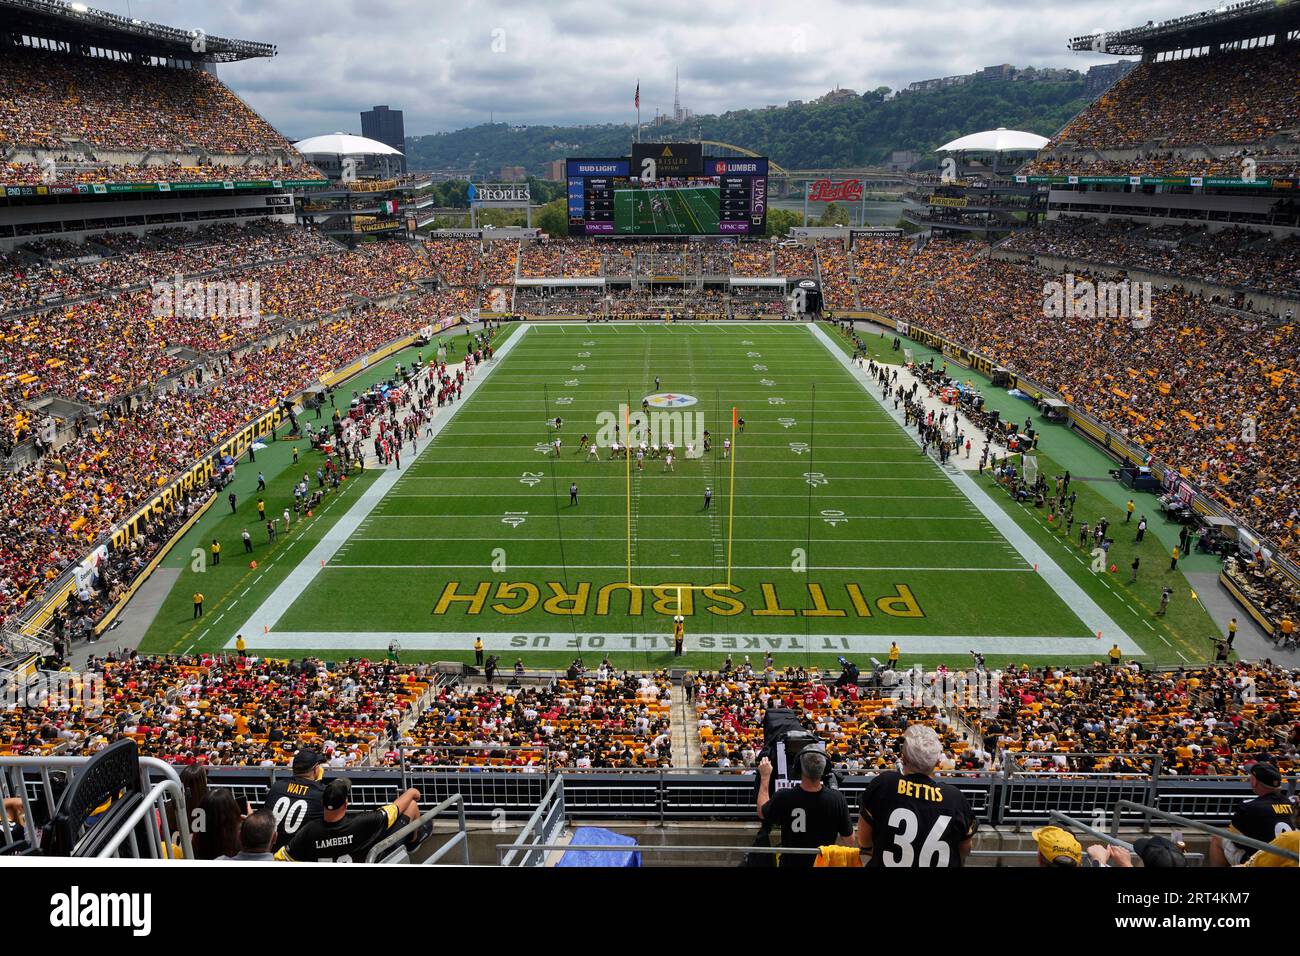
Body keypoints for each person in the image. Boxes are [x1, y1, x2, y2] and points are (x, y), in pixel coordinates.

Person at [856, 724, 977, 867]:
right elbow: (964, 849)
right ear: (938, 761)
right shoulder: (956, 799)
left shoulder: (883, 785)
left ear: (903, 758)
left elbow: (864, 840)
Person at [276, 778, 421, 863]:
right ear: (346, 803)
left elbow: (281, 858)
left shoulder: (308, 831)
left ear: (322, 803)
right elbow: (395, 809)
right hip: (370, 860)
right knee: (411, 805)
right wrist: (411, 792)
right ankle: (413, 844)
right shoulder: (363, 822)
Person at [756, 748, 853, 868]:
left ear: (798, 768)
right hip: (823, 863)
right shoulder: (837, 799)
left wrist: (765, 777)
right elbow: (850, 841)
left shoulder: (784, 796)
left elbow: (762, 812)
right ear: (825, 769)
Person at [1208, 762, 1296, 866]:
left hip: (1262, 862)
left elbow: (1236, 840)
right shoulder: (1293, 804)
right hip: (1292, 860)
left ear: (1254, 782)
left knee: (1218, 837)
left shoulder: (1248, 806)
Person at [262, 748, 328, 851]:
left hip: (273, 852)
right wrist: (318, 784)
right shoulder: (322, 793)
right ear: (316, 769)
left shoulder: (277, 786)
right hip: (301, 854)